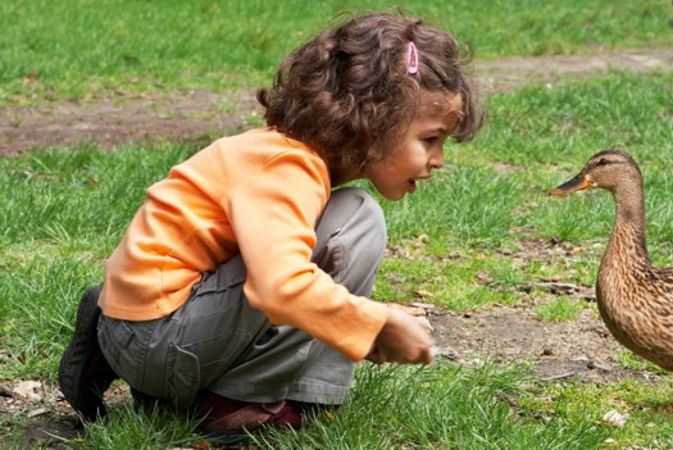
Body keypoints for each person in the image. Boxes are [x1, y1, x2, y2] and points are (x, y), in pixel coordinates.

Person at [58, 11, 485, 439]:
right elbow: (278, 286)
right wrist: (374, 323)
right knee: (357, 220)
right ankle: (235, 404)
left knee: (342, 221)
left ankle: (301, 397)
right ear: (374, 122)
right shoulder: (286, 167)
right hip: (159, 338)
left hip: (155, 329)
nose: (439, 159)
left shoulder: (289, 159)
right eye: (430, 139)